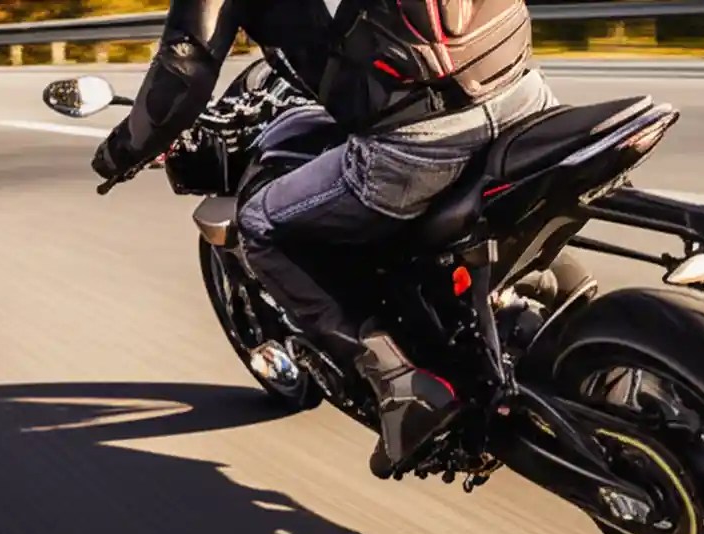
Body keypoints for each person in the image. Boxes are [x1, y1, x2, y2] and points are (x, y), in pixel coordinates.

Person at [92, 0, 559, 476]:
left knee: (261, 225)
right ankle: (559, 299)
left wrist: (120, 153)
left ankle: (400, 382)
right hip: (526, 94)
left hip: (424, 141)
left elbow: (183, 74)